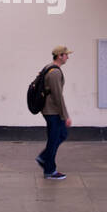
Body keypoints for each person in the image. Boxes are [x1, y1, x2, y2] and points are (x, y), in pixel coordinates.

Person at [36, 46, 72, 180]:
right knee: (55, 138)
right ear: (60, 56)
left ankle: (44, 158)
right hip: (52, 111)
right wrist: (65, 116)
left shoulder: (49, 68)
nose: (68, 57)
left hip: (50, 110)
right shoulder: (55, 72)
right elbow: (58, 96)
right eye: (66, 55)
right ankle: (50, 170)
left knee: (61, 135)